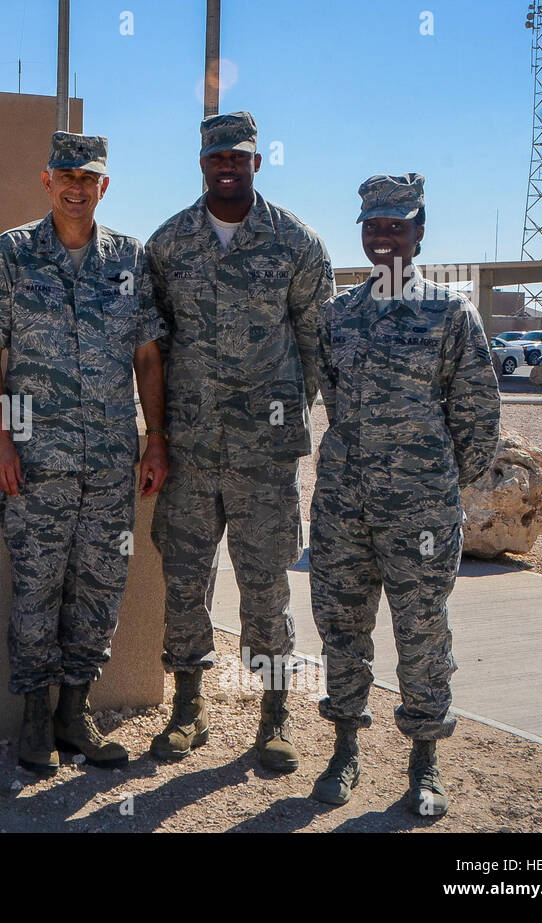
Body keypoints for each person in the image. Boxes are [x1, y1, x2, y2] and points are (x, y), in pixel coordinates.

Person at [0, 131, 169, 776]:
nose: (76, 187)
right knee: (37, 591)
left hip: (110, 464)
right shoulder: (15, 252)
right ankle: (33, 723)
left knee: (99, 589)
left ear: (103, 186)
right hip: (34, 463)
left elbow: (146, 356)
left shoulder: (129, 259)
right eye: (65, 175)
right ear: (46, 181)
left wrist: (155, 439)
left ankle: (73, 716)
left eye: (88, 178)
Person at [144, 111, 333, 770]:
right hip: (190, 454)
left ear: (257, 162)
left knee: (266, 588)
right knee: (185, 582)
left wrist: (289, 416)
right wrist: (157, 436)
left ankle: (275, 714)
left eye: (240, 157)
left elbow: (316, 343)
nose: (228, 166)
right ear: (202, 163)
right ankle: (188, 708)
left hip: (264, 458)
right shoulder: (168, 245)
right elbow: (152, 349)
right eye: (217, 157)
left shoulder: (296, 244)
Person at [308, 173, 500, 815]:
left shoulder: (451, 312)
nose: (384, 236)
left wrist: (441, 484)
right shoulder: (338, 315)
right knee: (341, 624)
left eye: (397, 224)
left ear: (420, 231)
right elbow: (331, 400)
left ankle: (424, 762)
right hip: (343, 502)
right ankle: (345, 749)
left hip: (420, 508)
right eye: (373, 226)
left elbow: (477, 414)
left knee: (421, 631)